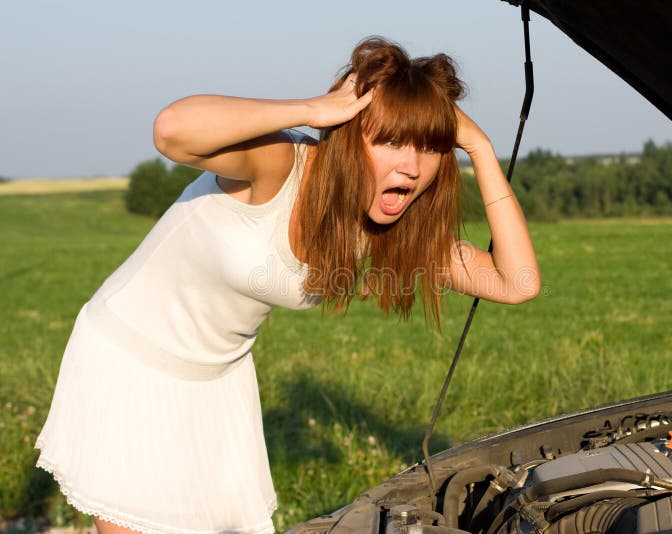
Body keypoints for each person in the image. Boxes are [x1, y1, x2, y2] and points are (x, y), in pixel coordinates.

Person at [34, 36, 539, 534]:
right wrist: (310, 109)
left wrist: (481, 148)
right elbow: (171, 131)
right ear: (346, 133)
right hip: (132, 361)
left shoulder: (388, 228)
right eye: (388, 140)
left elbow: (516, 282)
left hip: (221, 383)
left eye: (429, 147)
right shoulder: (280, 167)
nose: (411, 166)